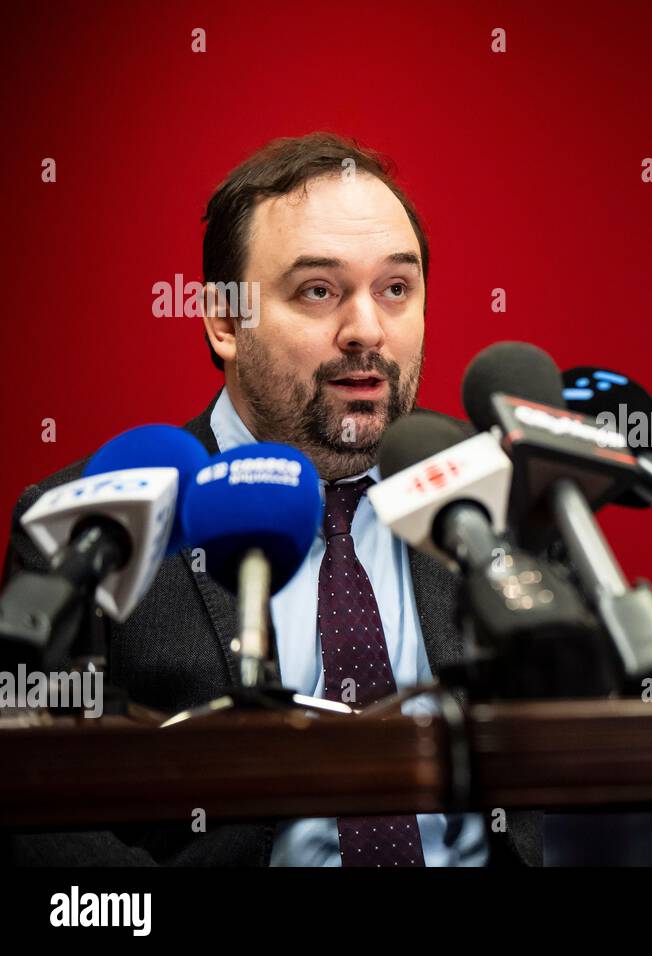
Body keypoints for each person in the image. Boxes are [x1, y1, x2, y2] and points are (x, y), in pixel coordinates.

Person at [2, 132, 538, 866]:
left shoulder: (496, 506)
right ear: (224, 320)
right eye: (318, 291)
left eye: (396, 289)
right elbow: (42, 816)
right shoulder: (89, 525)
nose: (367, 331)